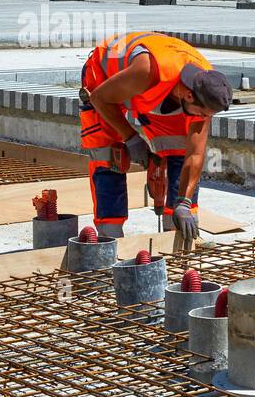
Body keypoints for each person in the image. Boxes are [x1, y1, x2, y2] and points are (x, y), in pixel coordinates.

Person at [79, 32, 233, 242]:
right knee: (108, 156)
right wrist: (131, 138)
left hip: (155, 92)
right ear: (188, 96)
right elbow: (99, 98)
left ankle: (175, 233)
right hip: (104, 80)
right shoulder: (148, 71)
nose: (204, 119)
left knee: (179, 151)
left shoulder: (206, 88)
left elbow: (195, 154)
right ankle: (110, 237)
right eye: (203, 114)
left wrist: (184, 203)